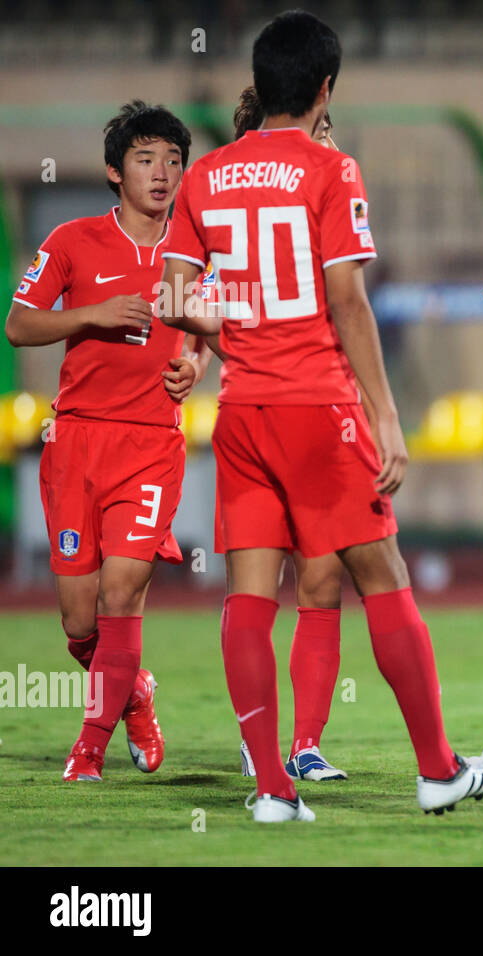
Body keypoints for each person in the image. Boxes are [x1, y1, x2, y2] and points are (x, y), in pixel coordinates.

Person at [156, 10, 483, 822]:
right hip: (319, 404)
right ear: (324, 88)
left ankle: (273, 791)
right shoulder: (331, 167)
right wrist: (385, 416)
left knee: (250, 595)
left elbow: (174, 296)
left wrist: (215, 334)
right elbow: (348, 299)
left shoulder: (205, 177)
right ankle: (437, 771)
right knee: (381, 575)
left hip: (242, 411)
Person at [5, 102, 199, 782]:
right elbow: (19, 325)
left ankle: (88, 749)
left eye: (174, 161)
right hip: (77, 443)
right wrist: (93, 314)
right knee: (78, 622)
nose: (163, 173)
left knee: (123, 595)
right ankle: (134, 695)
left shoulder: (194, 248)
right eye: (147, 159)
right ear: (115, 172)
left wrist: (196, 364)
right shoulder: (71, 240)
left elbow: (209, 322)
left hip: (150, 445)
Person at [193, 86, 352, 783]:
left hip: (317, 411)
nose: (328, 139)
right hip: (272, 413)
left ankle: (304, 745)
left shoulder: (322, 193)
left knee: (320, 581)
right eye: (321, 125)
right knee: (266, 589)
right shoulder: (231, 206)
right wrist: (231, 351)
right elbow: (186, 296)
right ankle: (265, 747)